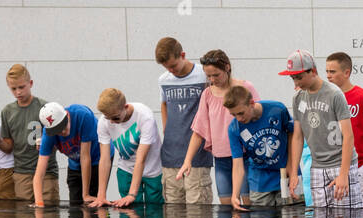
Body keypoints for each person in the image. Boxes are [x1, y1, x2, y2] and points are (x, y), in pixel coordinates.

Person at [282, 50, 363, 209]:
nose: (296, 83)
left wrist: (343, 174)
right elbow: (298, 136)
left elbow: (348, 136)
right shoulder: (298, 98)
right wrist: (293, 173)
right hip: (317, 167)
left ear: (312, 71)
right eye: (293, 78)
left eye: (299, 77)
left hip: (340, 162)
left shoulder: (334, 94)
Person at [180, 50, 258, 205]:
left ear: (227, 68)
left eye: (216, 75)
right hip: (222, 159)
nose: (212, 79)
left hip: (245, 156)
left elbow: (257, 116)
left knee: (248, 203)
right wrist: (187, 160)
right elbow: (198, 131)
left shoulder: (245, 87)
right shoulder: (207, 94)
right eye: (208, 76)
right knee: (227, 205)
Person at [155, 37, 213, 204]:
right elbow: (164, 104)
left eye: (173, 65)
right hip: (171, 154)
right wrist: (166, 128)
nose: (171, 70)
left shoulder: (203, 75)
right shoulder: (164, 79)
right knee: (173, 210)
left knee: (198, 211)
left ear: (183, 55)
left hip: (197, 154)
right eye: (166, 67)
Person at [0, 64, 58, 203]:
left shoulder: (45, 107)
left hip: (46, 172)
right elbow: (9, 147)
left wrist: (48, 144)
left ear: (30, 83)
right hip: (22, 172)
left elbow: (58, 141)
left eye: (21, 87)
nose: (18, 92)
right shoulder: (7, 111)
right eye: (13, 89)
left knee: (49, 216)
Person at [325, 52, 363, 207]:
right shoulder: (327, 98)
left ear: (346, 72)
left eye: (332, 71)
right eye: (327, 71)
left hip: (359, 167)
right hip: (334, 167)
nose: (328, 76)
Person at [92, 88, 164, 208]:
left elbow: (141, 159)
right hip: (126, 169)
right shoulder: (104, 122)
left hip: (152, 169)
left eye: (115, 118)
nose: (112, 122)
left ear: (125, 107)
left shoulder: (145, 117)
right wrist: (101, 195)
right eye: (107, 118)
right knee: (128, 211)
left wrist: (132, 193)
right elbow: (104, 159)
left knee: (155, 212)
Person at [224, 85, 292, 210]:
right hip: (260, 179)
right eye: (233, 115)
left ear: (251, 103)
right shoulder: (234, 128)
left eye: (241, 113)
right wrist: (235, 194)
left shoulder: (277, 110)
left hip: (286, 173)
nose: (239, 118)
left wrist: (292, 167)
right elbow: (238, 164)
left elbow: (293, 135)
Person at [34, 100, 100, 205]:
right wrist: (39, 202)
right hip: (75, 162)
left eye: (63, 126)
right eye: (58, 131)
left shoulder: (83, 116)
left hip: (97, 157)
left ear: (67, 116)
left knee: (92, 201)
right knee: (75, 203)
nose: (63, 132)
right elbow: (39, 173)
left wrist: (86, 194)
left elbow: (85, 157)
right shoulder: (48, 136)